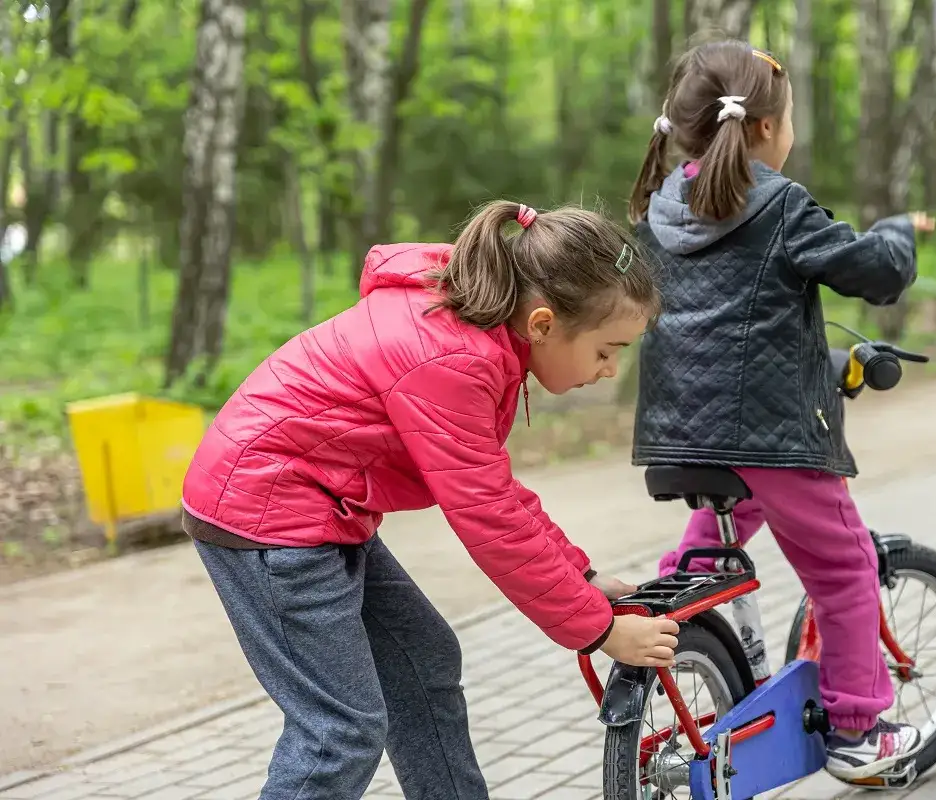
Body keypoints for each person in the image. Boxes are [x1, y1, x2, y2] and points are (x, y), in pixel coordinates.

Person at [181, 201, 680, 799]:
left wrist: (583, 576)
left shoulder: (479, 334)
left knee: (424, 664)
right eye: (607, 350)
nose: (608, 370)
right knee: (341, 731)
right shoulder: (453, 357)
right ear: (543, 324)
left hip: (315, 508)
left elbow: (492, 488)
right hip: (267, 515)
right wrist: (597, 631)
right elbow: (488, 518)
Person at [628, 41, 936, 783]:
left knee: (718, 541)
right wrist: (895, 231)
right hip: (767, 434)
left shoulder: (661, 207)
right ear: (765, 129)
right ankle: (860, 731)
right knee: (845, 566)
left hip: (680, 434)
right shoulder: (780, 205)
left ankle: (673, 628)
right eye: (791, 114)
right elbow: (876, 271)